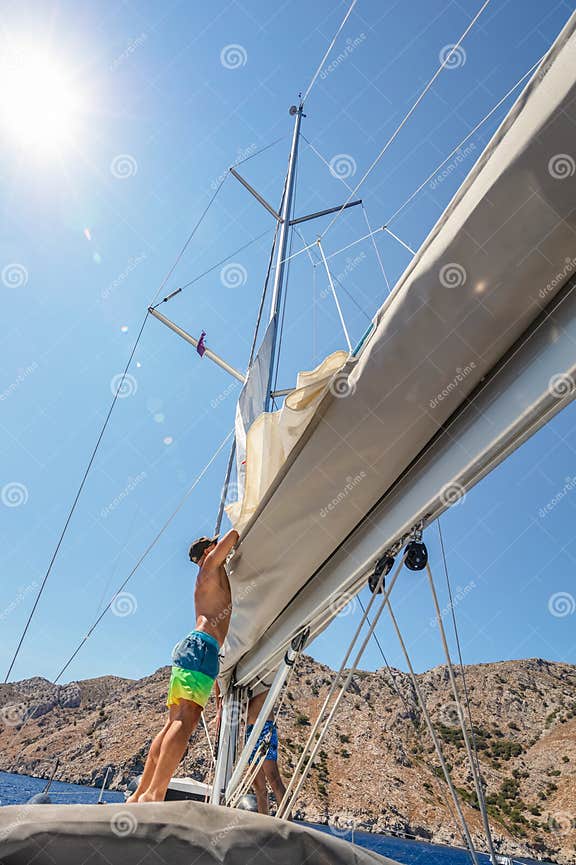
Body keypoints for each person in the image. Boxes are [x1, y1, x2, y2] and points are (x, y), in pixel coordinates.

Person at [127, 529, 238, 803]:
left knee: (172, 723)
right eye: (213, 546)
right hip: (202, 648)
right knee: (184, 722)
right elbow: (234, 535)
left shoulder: (208, 576)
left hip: (193, 648)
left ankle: (142, 793)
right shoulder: (209, 566)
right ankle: (155, 793)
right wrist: (221, 543)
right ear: (208, 551)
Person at [245, 690, 288, 816]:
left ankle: (288, 822)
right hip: (250, 730)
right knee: (258, 785)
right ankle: (263, 821)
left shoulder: (265, 680)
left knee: (273, 779)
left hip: (265, 727)